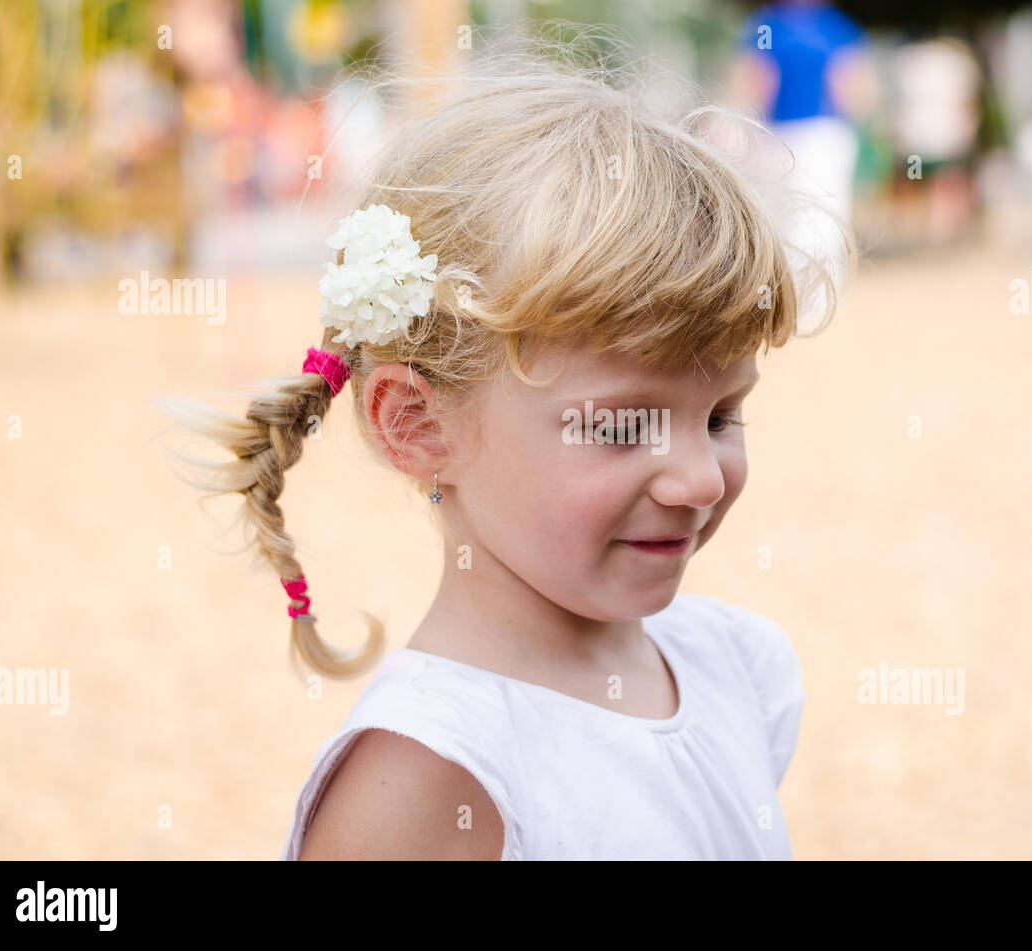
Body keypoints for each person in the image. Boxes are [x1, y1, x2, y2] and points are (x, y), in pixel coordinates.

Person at [156, 29, 841, 860]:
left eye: (722, 416)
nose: (698, 478)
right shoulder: (427, 778)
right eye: (623, 425)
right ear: (417, 425)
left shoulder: (731, 665)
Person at [730, 0, 871, 326]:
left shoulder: (766, 25)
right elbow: (852, 87)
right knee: (824, 213)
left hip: (778, 134)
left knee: (781, 215)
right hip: (826, 133)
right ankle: (820, 298)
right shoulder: (839, 27)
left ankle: (786, 295)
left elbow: (755, 82)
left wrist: (748, 127)